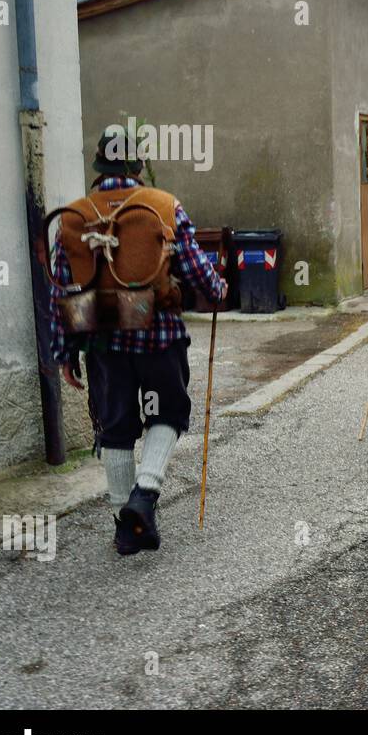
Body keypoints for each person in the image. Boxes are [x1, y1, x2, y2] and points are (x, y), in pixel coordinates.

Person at [49, 128, 227, 555]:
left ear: (98, 168)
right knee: (168, 411)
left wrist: (65, 352)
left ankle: (126, 529)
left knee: (115, 427)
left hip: (103, 341)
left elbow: (61, 292)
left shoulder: (73, 217)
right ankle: (144, 497)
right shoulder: (163, 206)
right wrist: (218, 290)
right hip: (158, 335)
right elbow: (194, 266)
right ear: (136, 166)